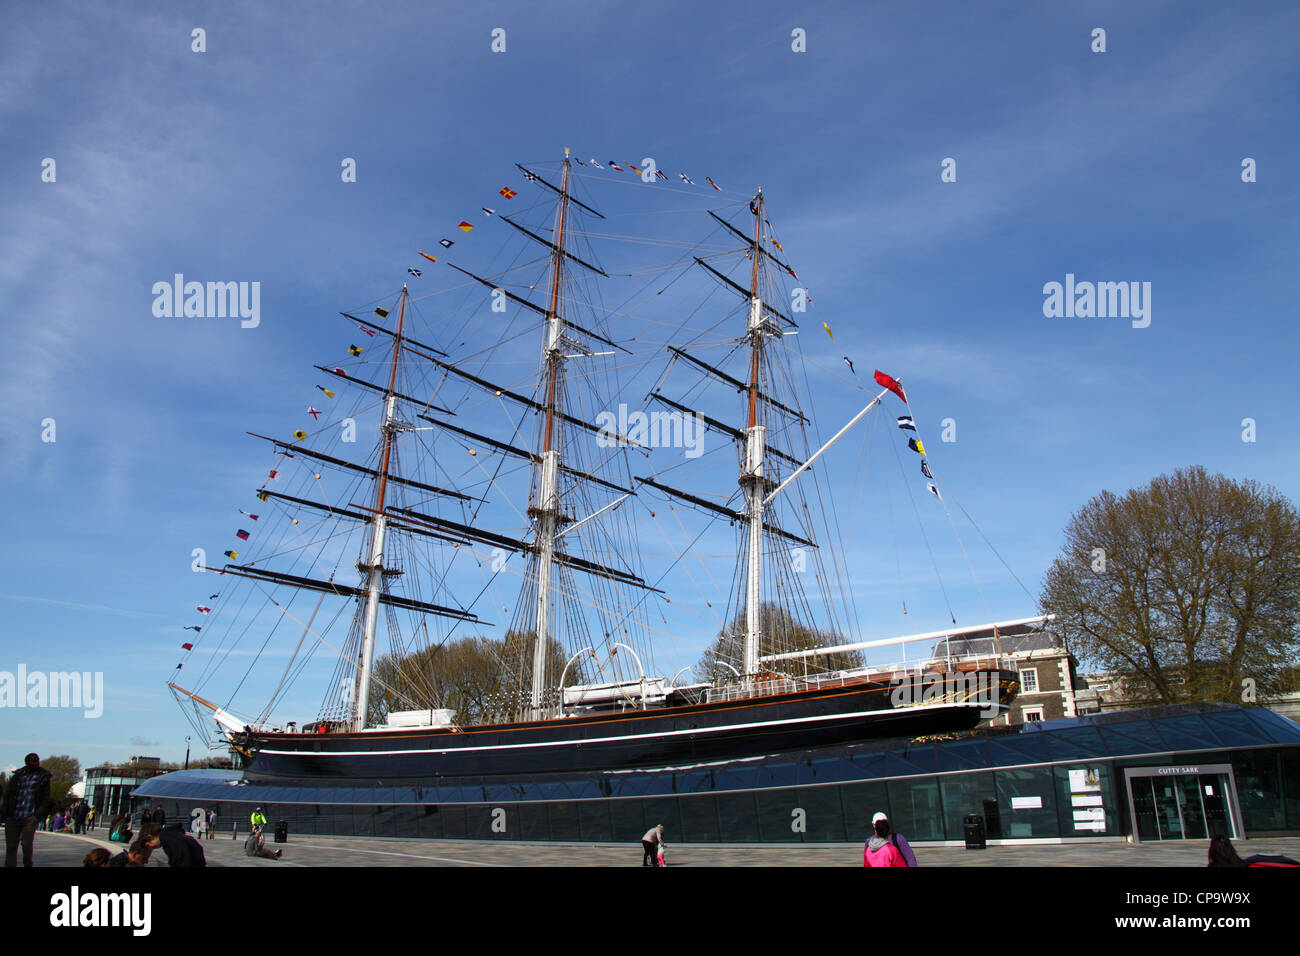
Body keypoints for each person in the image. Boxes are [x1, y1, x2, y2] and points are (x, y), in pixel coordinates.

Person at [2, 753, 54, 868]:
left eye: (37, 760)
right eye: (33, 760)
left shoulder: (43, 776)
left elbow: (45, 798)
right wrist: (6, 813)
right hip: (14, 815)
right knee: (11, 846)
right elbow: (8, 794)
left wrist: (37, 816)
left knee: (26, 844)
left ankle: (28, 864)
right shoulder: (18, 775)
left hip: (30, 816)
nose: (35, 763)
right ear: (27, 762)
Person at [140, 822, 207, 867]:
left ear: (150, 837)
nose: (151, 848)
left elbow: (182, 858)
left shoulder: (165, 837)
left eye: (148, 845)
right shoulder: (171, 834)